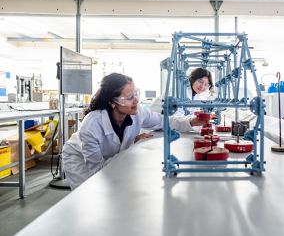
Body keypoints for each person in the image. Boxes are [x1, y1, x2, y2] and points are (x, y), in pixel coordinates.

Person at [62, 73, 206, 189]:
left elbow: (163, 120)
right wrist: (132, 144)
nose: (136, 100)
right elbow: (97, 170)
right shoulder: (92, 125)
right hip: (78, 158)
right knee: (90, 194)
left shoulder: (138, 113)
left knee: (113, 187)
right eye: (130, 97)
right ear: (113, 102)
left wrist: (190, 121)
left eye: (136, 94)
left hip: (108, 157)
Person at [150, 67, 214, 115]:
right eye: (200, 81)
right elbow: (176, 114)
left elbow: (189, 112)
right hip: (157, 119)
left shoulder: (196, 94)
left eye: (206, 84)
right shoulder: (179, 90)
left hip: (172, 123)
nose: (202, 86)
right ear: (193, 79)